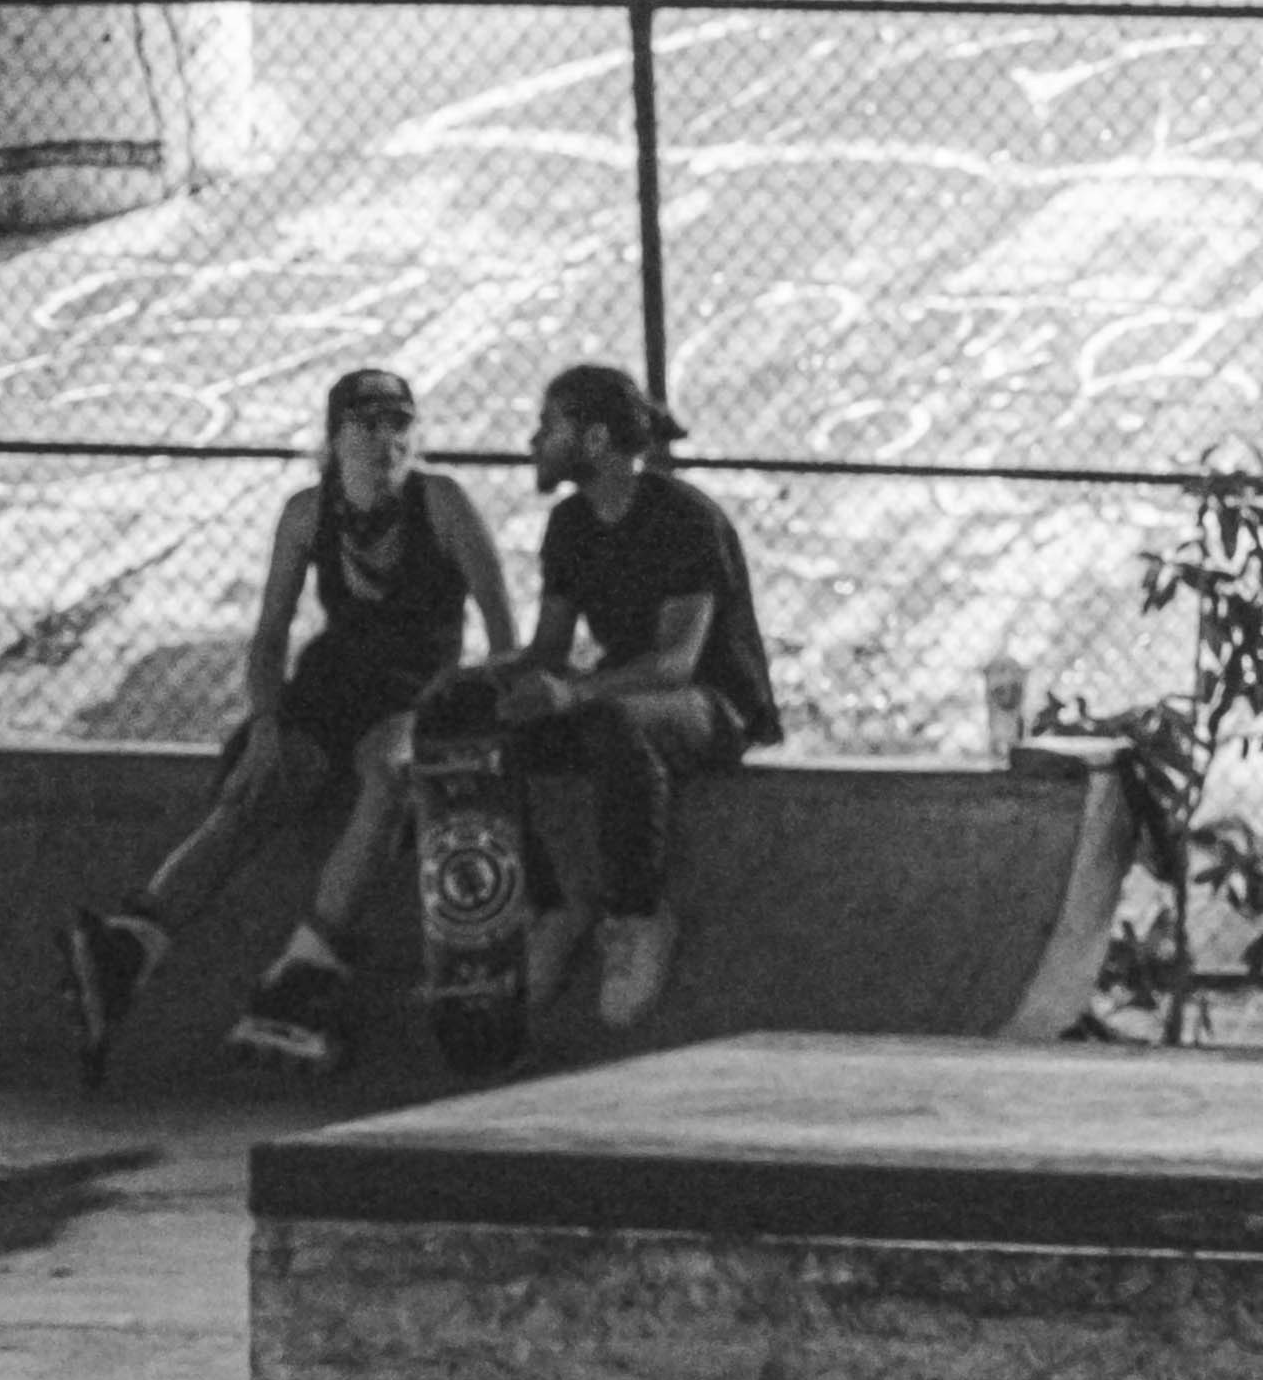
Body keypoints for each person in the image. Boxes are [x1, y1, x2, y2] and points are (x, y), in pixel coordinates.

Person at [60, 365, 519, 1082]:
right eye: (367, 425)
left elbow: (503, 636)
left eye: (399, 424)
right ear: (334, 438)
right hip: (330, 687)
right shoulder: (308, 512)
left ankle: (303, 974)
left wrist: (456, 699)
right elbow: (270, 632)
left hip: (411, 693)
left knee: (393, 772)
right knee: (257, 786)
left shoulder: (444, 505)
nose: (386, 440)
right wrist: (267, 721)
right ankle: (129, 946)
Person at [487, 360, 788, 1031]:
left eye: (548, 426)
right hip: (616, 695)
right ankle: (551, 907)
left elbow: (678, 662)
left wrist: (572, 694)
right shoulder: (570, 525)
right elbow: (549, 649)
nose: (534, 441)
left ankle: (638, 916)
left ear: (593, 440)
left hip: (713, 705)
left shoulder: (683, 518)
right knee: (488, 731)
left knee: (616, 723)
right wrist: (484, 681)